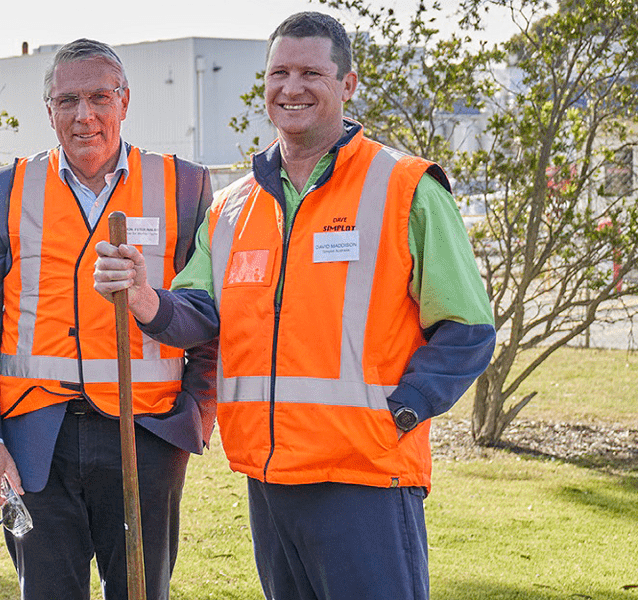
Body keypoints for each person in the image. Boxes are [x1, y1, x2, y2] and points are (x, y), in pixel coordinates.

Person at [93, 12, 495, 600]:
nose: (291, 87)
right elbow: (200, 313)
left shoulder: (405, 187)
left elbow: (468, 328)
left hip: (365, 479)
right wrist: (145, 298)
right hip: (268, 477)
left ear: (349, 84)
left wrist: (402, 412)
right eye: (279, 72)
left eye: (311, 72)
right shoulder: (232, 207)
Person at [0, 39, 217, 600]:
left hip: (146, 434)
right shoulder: (9, 190)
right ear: (49, 110)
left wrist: (196, 411)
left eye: (100, 97)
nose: (84, 115)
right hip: (33, 439)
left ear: (125, 101)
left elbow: (209, 318)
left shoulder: (184, 184)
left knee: (142, 593)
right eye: (67, 100)